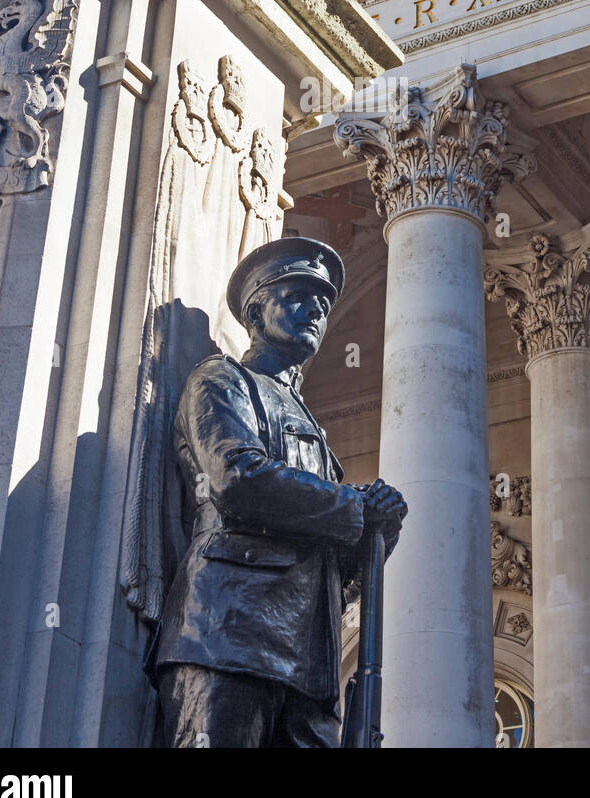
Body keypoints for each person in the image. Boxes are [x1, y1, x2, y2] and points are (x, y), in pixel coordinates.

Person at [151, 236, 407, 748]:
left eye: (323, 301)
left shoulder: (318, 436)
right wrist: (356, 507)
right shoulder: (222, 381)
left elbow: (340, 577)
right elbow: (238, 479)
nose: (315, 307)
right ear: (254, 310)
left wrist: (381, 530)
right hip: (227, 634)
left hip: (309, 663)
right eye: (297, 294)